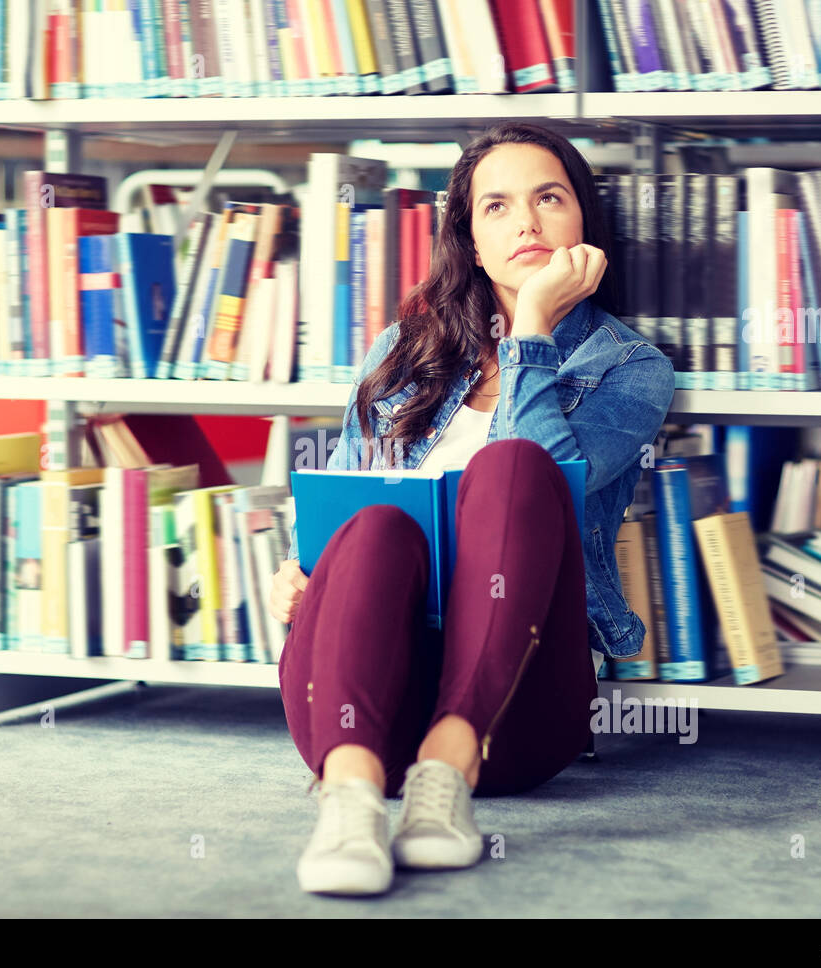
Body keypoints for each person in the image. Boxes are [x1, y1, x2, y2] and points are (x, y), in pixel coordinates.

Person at [267, 121, 675, 896]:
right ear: (471, 239)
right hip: (360, 690)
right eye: (497, 206)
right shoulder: (401, 349)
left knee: (512, 467)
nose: (526, 221)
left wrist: (531, 329)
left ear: (581, 219)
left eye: (549, 198)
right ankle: (349, 802)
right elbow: (338, 505)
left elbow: (549, 484)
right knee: (378, 523)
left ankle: (443, 779)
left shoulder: (632, 367)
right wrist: (301, 574)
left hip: (515, 711)